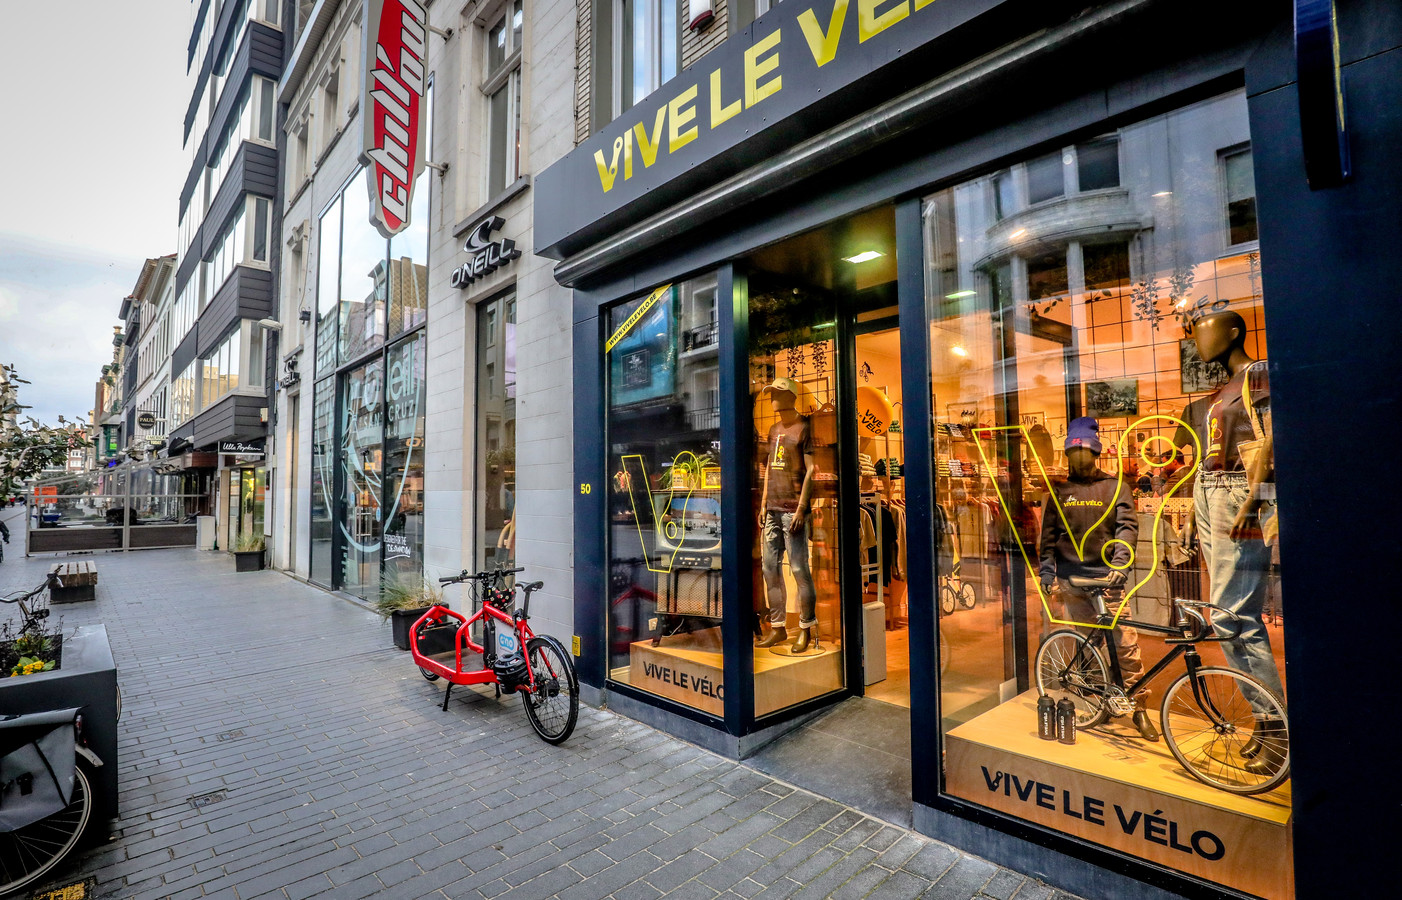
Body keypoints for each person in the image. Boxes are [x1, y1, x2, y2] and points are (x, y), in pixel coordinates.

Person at [1182, 309, 1285, 775]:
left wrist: (1256, 500)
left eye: (1206, 329)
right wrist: (1191, 506)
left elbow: (1273, 443)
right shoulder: (1218, 392)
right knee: (1227, 614)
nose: (1199, 339)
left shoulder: (1258, 374)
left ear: (1234, 331)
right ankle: (1264, 724)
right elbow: (1207, 457)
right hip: (1210, 491)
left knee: (1234, 615)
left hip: (1236, 493)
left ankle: (1275, 725)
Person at [1038, 417, 1157, 741]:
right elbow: (1048, 537)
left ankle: (1139, 708)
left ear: (1096, 453)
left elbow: (1127, 529)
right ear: (1067, 456)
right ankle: (1099, 700)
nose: (1079, 460)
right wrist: (1047, 570)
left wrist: (1120, 564)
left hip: (1108, 580)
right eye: (1073, 454)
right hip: (1072, 580)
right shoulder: (1059, 491)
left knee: (1125, 646)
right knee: (1087, 645)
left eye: (1085, 453)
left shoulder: (1117, 487)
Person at [756, 377, 820, 652]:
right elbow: (770, 465)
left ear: (791, 396)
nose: (772, 397)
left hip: (792, 509)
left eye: (778, 393)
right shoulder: (773, 429)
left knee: (798, 568)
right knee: (770, 569)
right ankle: (779, 627)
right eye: (772, 393)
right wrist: (763, 503)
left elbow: (812, 471)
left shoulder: (805, 427)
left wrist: (802, 507)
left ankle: (806, 627)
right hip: (771, 509)